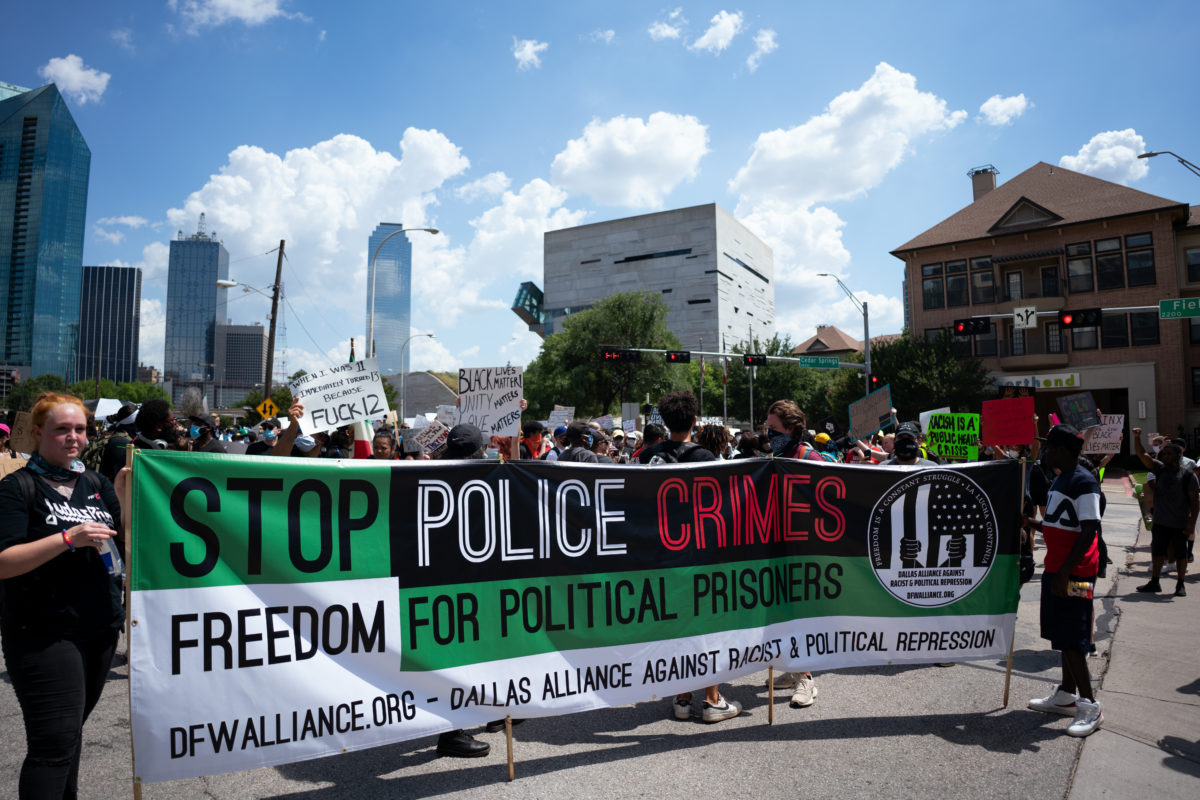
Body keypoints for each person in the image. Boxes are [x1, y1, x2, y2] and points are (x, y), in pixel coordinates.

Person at [0, 393, 128, 797]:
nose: (73, 437)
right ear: (38, 432)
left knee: (69, 738)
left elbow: (124, 536)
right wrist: (67, 539)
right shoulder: (18, 486)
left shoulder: (95, 483)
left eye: (80, 429)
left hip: (100, 628)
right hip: (43, 632)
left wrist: (123, 494)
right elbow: (4, 561)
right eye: (62, 429)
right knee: (53, 744)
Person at [1024, 424, 1104, 737]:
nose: (1045, 451)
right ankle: (1067, 696)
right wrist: (1032, 523)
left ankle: (1090, 706)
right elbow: (1061, 524)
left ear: (1064, 450)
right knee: (1061, 634)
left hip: (1076, 573)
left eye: (1050, 446)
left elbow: (1089, 530)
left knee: (1073, 639)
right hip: (1057, 568)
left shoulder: (1084, 482)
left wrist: (1068, 571)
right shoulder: (1061, 478)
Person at [762, 399, 821, 706]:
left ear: (791, 428)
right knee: (780, 613)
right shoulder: (778, 453)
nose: (768, 433)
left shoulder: (808, 456)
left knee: (798, 614)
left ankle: (806, 679)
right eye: (767, 427)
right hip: (777, 543)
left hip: (802, 547)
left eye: (773, 428)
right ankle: (792, 666)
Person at [1132, 430, 1197, 596]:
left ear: (1178, 456)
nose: (1164, 456)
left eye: (1168, 454)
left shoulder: (1188, 475)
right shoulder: (1160, 469)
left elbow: (1195, 503)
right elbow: (1142, 455)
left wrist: (1191, 524)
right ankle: (1155, 582)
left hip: (1180, 522)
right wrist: (1137, 438)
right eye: (1163, 453)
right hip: (1160, 521)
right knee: (1158, 552)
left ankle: (1180, 584)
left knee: (1181, 554)